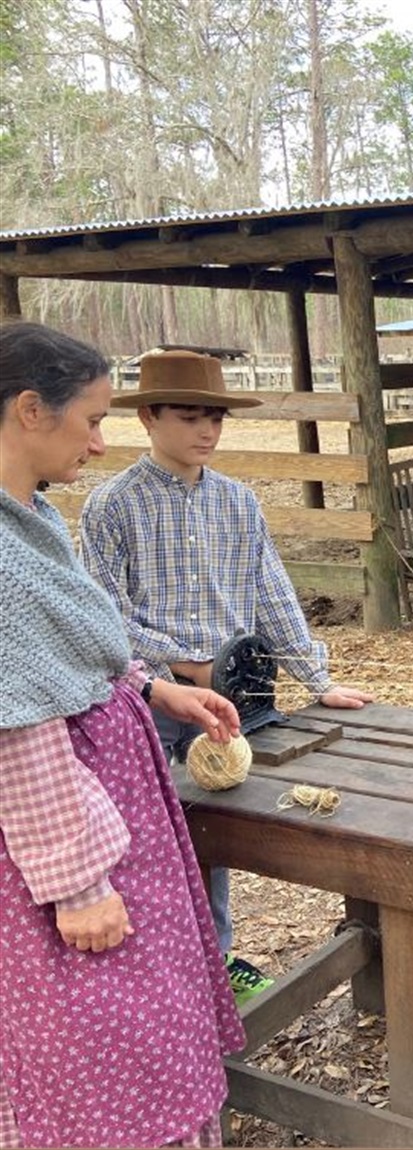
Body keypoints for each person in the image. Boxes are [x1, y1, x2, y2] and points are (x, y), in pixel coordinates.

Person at [0, 320, 246, 1147]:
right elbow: (17, 727)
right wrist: (76, 883)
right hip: (67, 835)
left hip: (109, 806)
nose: (100, 443)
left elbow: (67, 648)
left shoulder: (26, 517)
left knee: (158, 1003)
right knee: (109, 1025)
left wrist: (153, 688)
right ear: (32, 410)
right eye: (93, 419)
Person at [78, 348, 374, 1005]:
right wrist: (182, 659)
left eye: (215, 418)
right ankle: (161, 968)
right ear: (150, 418)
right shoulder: (111, 507)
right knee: (154, 834)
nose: (206, 432)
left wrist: (315, 678)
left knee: (224, 824)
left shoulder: (239, 504)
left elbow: (271, 596)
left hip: (234, 697)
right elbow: (102, 617)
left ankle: (217, 957)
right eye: (189, 417)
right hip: (147, 697)